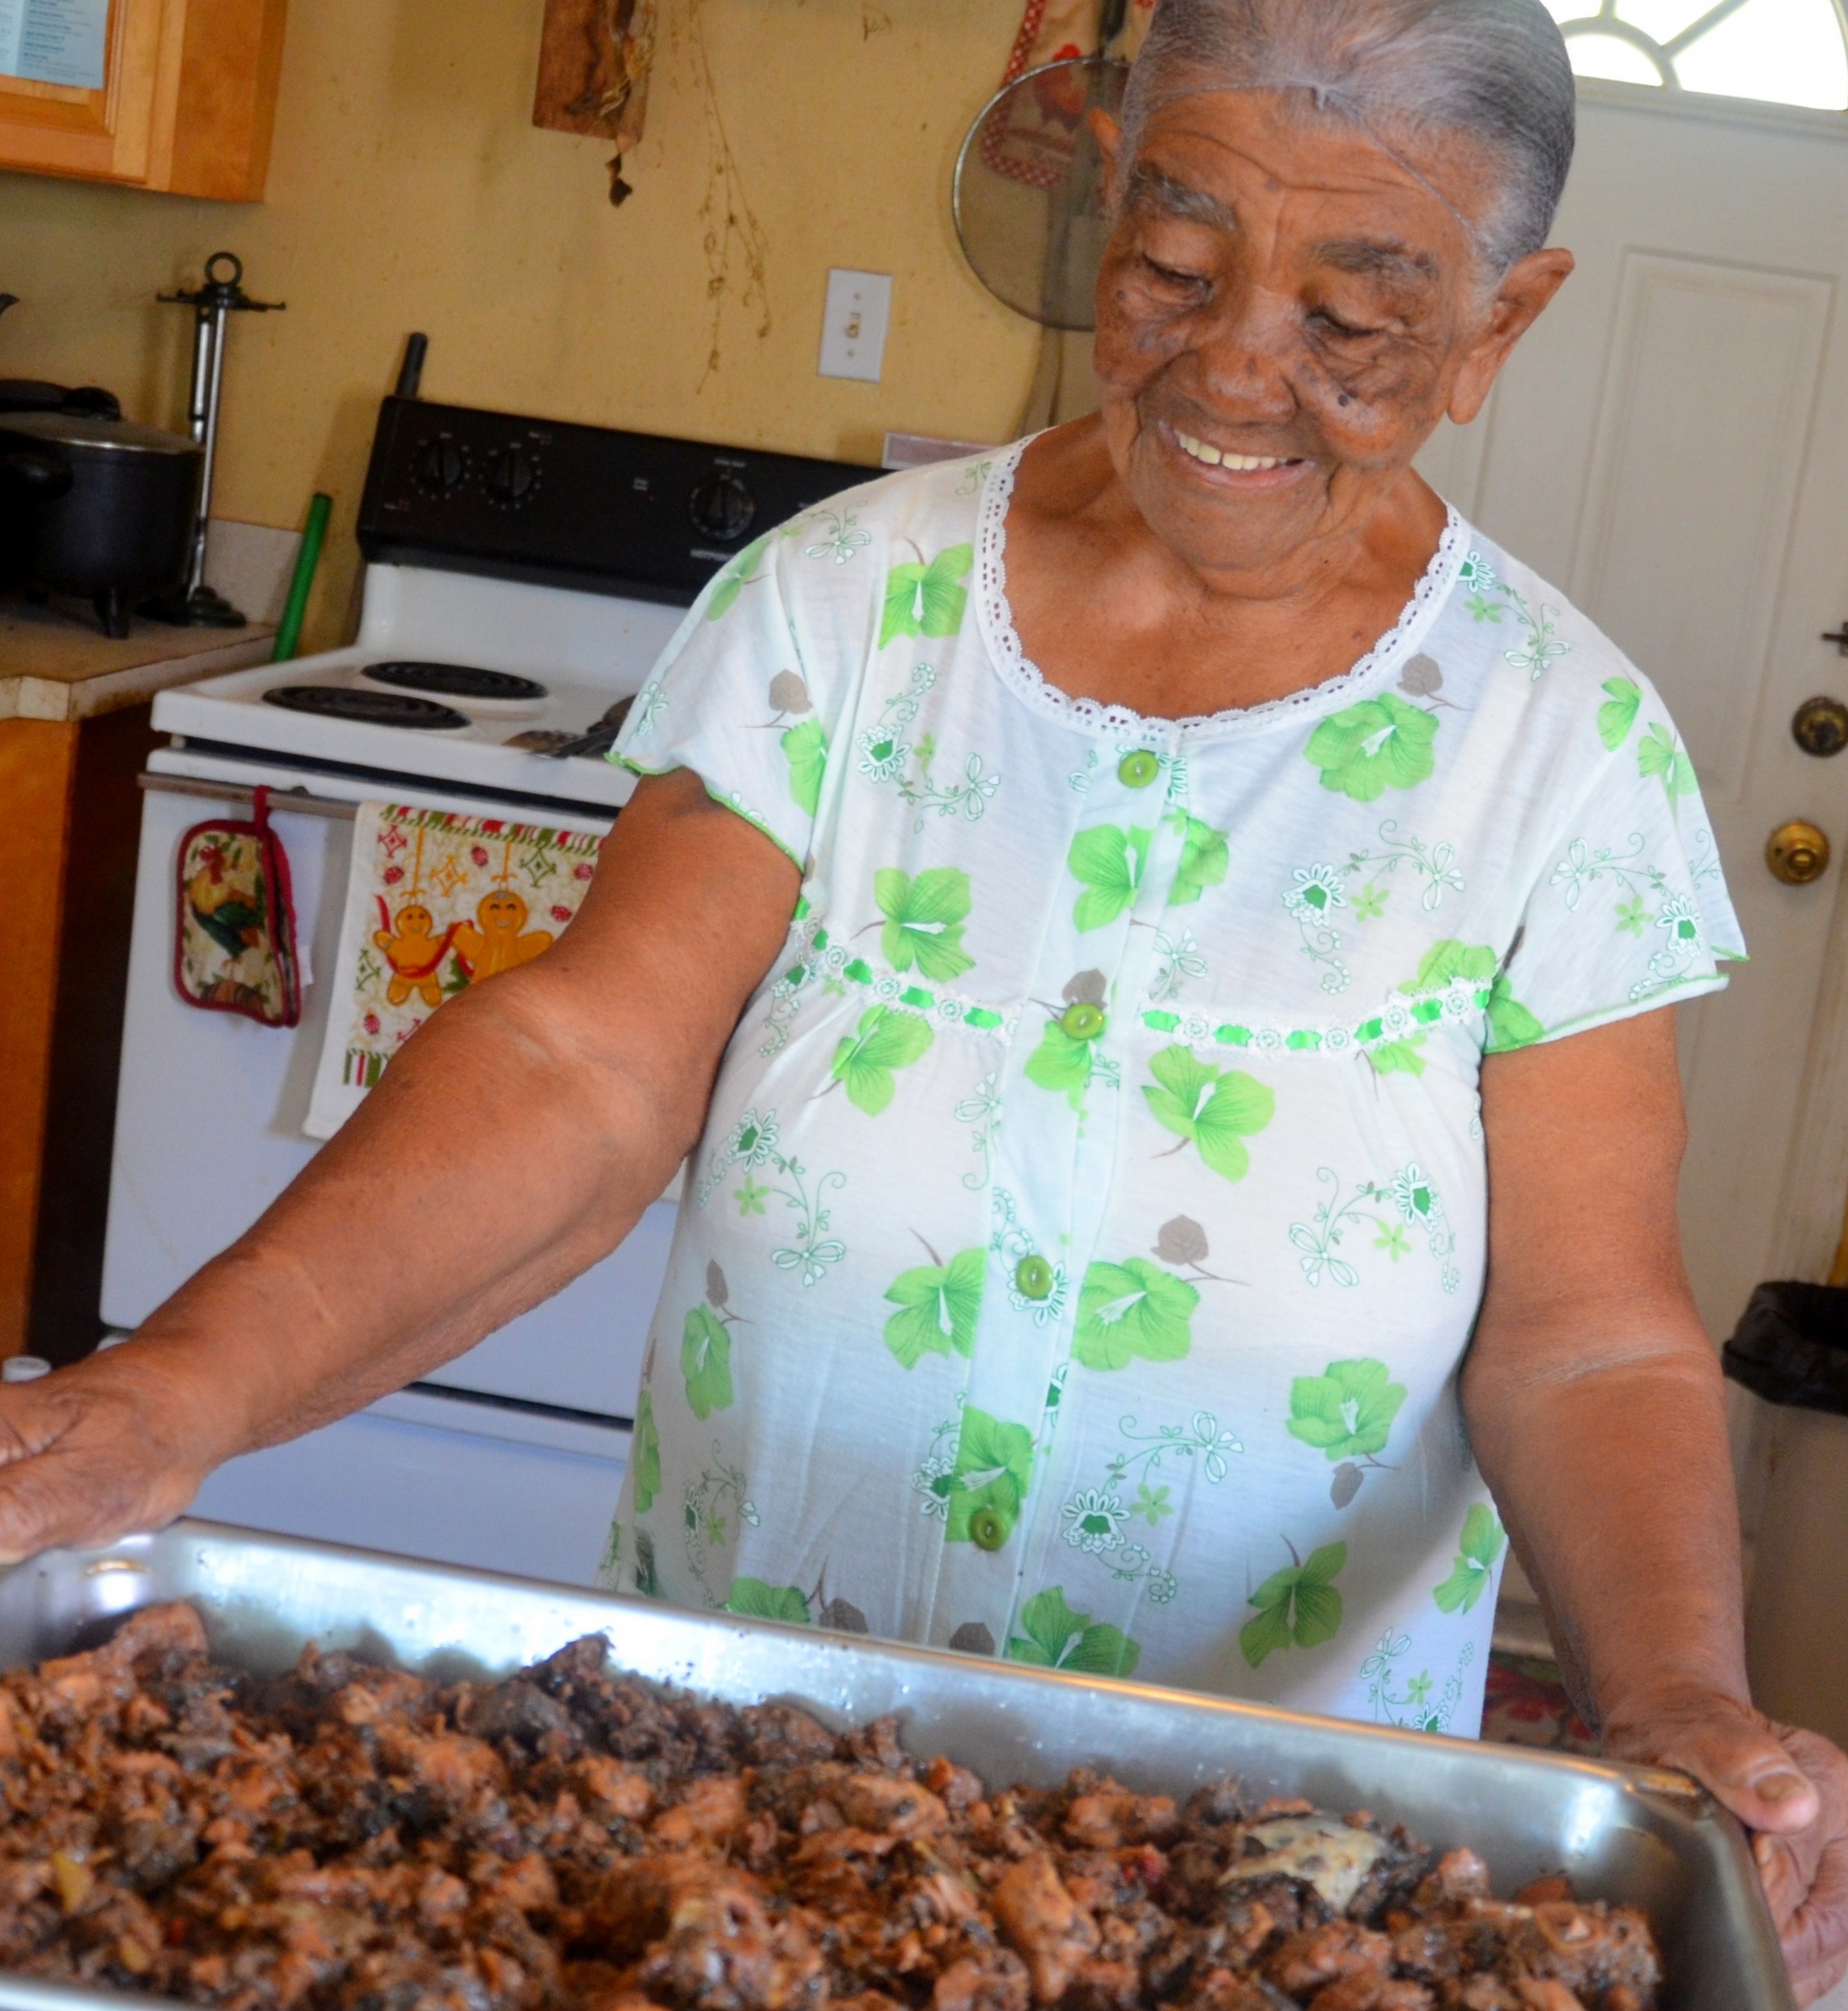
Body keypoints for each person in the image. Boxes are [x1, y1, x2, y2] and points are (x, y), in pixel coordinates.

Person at [8, 0, 1845, 1993]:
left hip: (1266, 1877)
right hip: (756, 1792)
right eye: (1170, 262)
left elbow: (1583, 1341)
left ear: (1499, 326)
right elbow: (585, 1062)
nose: (1234, 363)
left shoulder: (1559, 750)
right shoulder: (839, 604)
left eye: (1354, 316)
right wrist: (170, 1389)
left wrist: (1670, 1699)